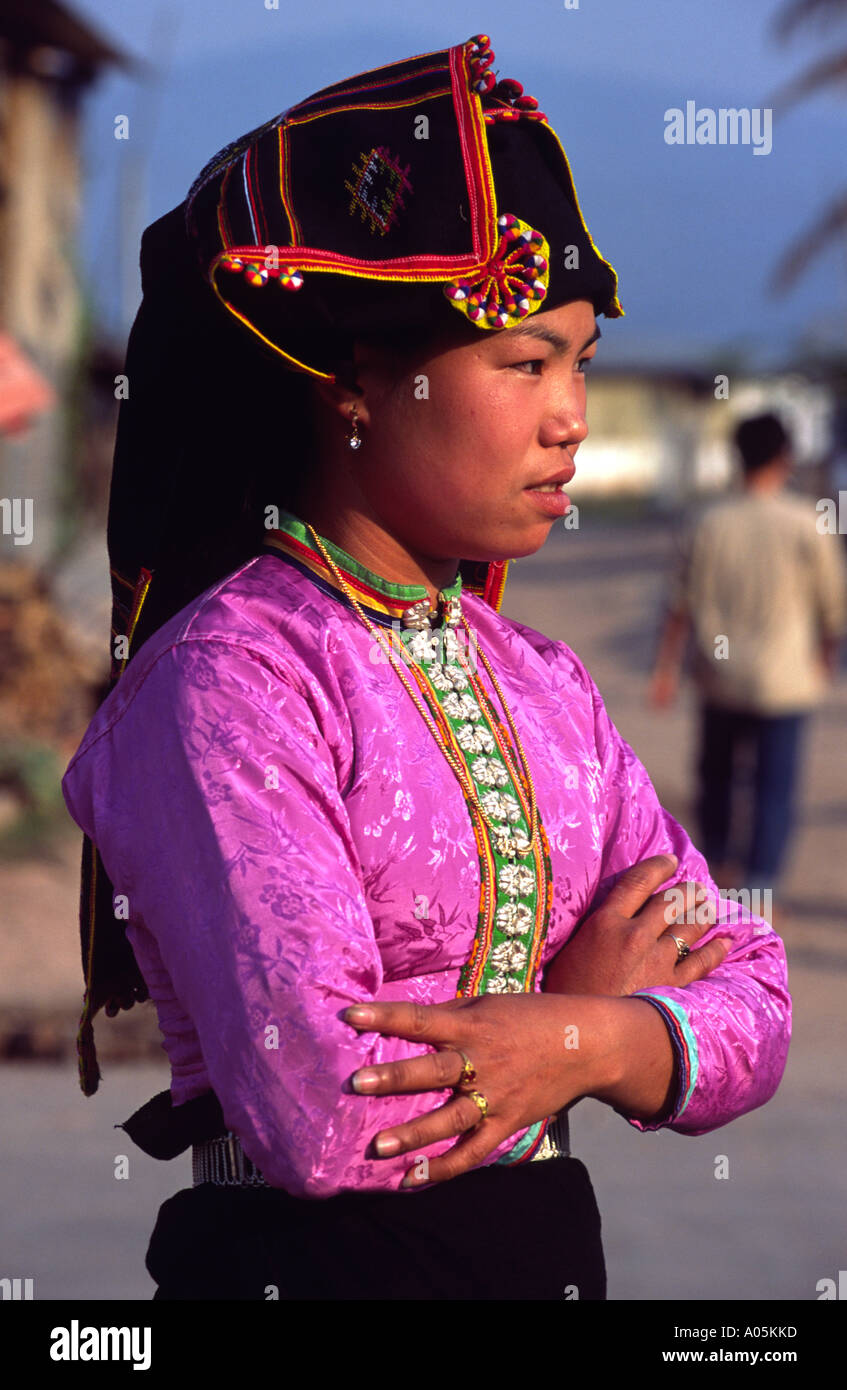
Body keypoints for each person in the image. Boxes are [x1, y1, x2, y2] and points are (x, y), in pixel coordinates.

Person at [61, 35, 791, 1301]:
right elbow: (327, 1112)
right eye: (523, 364)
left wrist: (565, 1037)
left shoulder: (546, 686)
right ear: (359, 384)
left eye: (580, 363)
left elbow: (759, 998)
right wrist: (596, 1028)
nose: (568, 414)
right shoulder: (232, 681)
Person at [650, 412, 846, 910]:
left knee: (715, 776)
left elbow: (680, 606)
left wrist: (666, 670)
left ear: (737, 456)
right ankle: (759, 886)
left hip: (722, 678)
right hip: (786, 681)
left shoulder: (709, 523)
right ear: (786, 457)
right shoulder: (808, 523)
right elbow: (832, 607)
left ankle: (715, 868)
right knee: (774, 786)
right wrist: (823, 659)